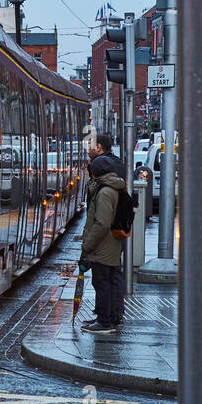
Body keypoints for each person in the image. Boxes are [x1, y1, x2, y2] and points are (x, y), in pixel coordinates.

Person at [80, 133, 126, 335]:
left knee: (102, 281)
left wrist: (87, 244)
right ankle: (107, 317)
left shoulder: (105, 192)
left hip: (105, 246)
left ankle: (106, 321)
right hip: (111, 244)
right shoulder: (110, 186)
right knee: (108, 280)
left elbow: (101, 223)